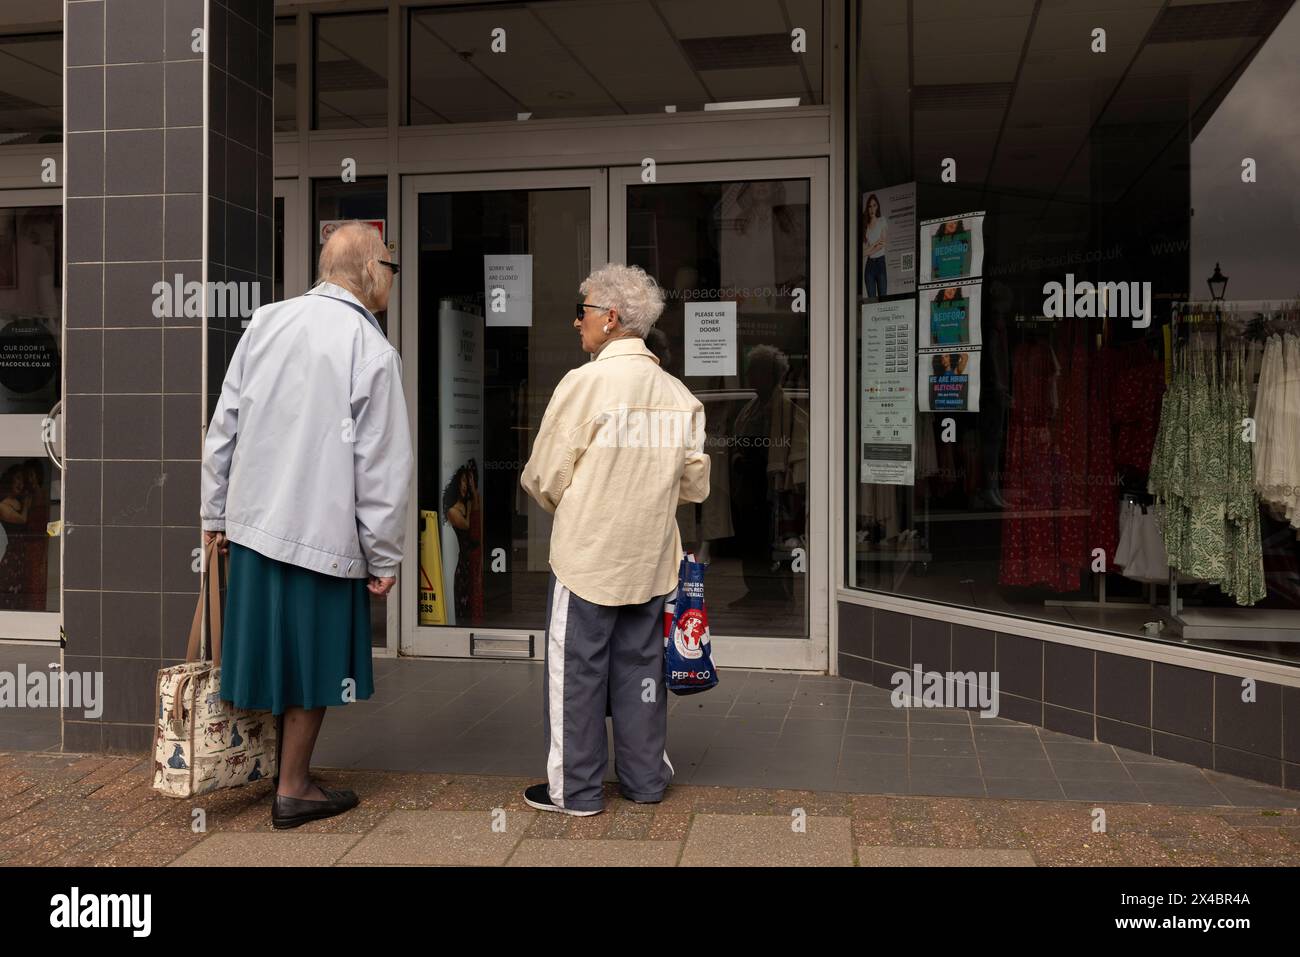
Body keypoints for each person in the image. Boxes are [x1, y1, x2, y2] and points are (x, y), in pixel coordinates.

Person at [200, 222, 413, 829]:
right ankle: (293, 787)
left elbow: (225, 426)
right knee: (316, 662)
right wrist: (384, 556)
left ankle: (275, 773)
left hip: (255, 526)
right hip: (323, 536)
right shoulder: (370, 348)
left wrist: (214, 513)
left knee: (267, 653)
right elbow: (381, 466)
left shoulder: (265, 322)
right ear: (370, 271)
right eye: (391, 269)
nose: (393, 281)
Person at [520, 263, 710, 816]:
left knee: (576, 673)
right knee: (640, 671)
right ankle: (645, 780)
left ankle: (574, 792)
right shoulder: (677, 395)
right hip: (651, 558)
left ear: (610, 319)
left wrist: (581, 505)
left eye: (581, 312)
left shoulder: (585, 384)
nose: (576, 323)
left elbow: (543, 475)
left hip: (588, 558)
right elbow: (694, 485)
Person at [862, 193, 888, 298]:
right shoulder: (865, 226)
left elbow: (882, 244)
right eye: (869, 206)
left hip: (880, 262)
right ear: (867, 208)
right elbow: (863, 253)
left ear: (877, 207)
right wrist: (874, 244)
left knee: (883, 298)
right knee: (871, 301)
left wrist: (869, 250)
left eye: (874, 205)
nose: (872, 209)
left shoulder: (882, 221)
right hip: (869, 266)